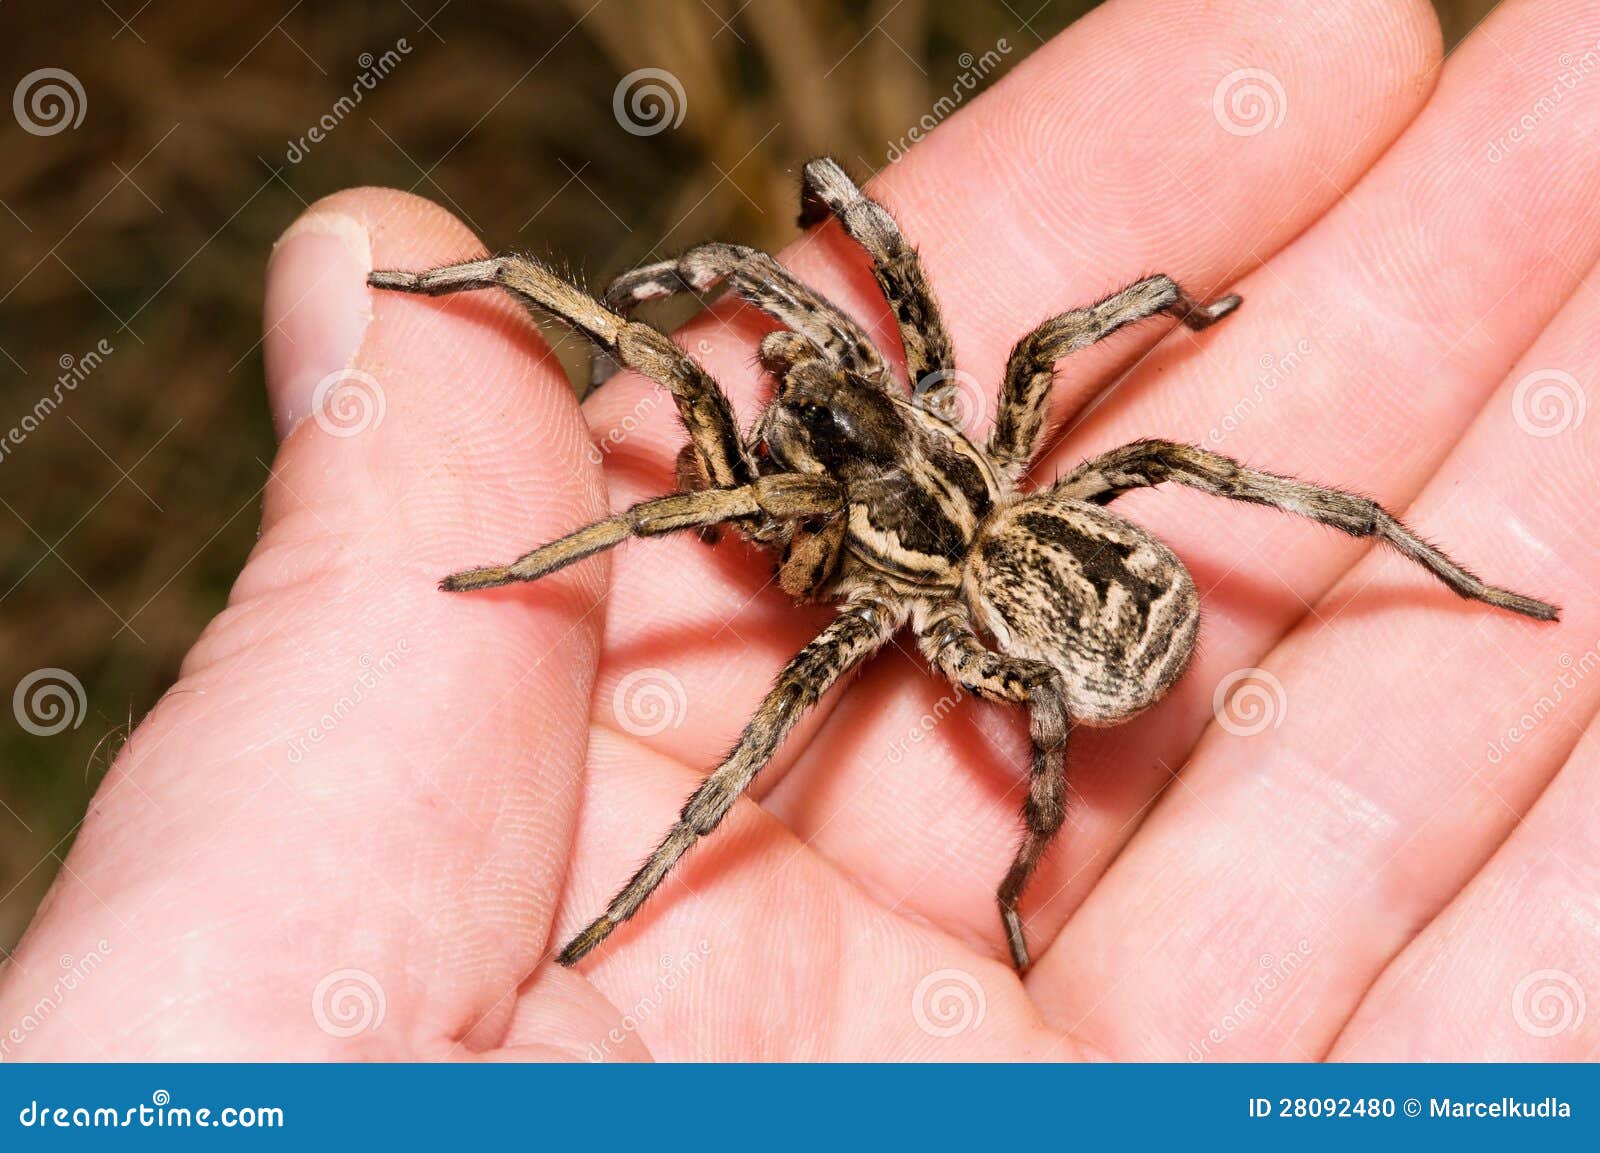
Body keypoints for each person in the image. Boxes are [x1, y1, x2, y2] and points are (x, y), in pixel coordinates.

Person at [2, 0, 1595, 1061]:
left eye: (828, 383)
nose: (799, 390)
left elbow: (824, 338)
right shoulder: (918, 412)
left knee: (893, 605)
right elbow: (808, 289)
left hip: (1018, 606)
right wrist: (697, 268)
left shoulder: (889, 548)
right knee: (1125, 444)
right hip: (1007, 536)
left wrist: (1027, 859)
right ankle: (1428, 573)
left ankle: (1431, 581)